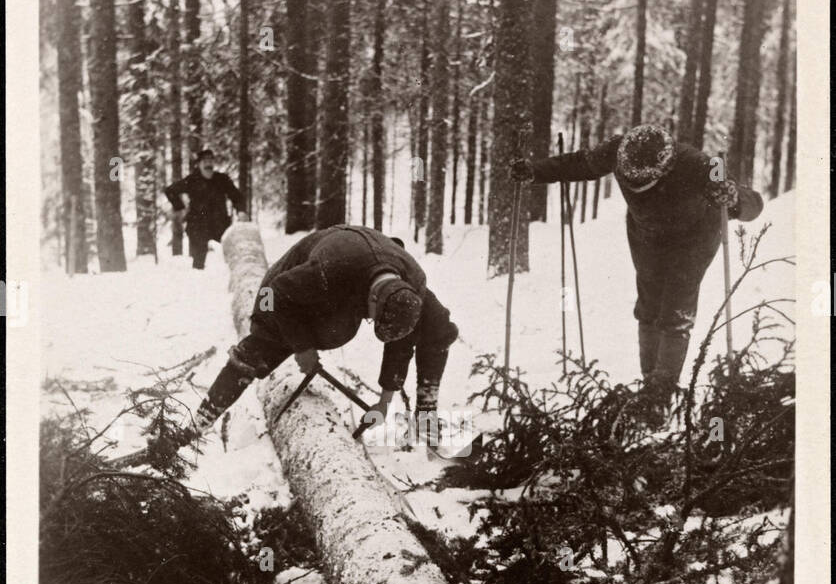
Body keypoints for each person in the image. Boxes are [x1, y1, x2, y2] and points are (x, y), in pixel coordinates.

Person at [512, 124, 764, 420]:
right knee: (648, 306)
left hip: (695, 237)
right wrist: (536, 171)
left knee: (675, 310)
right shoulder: (618, 150)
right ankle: (649, 384)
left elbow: (753, 205)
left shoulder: (699, 164)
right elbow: (580, 163)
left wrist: (732, 197)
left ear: (665, 169)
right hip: (647, 235)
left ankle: (661, 395)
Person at [191, 224, 459, 442]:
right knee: (264, 343)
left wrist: (385, 401)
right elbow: (279, 291)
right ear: (374, 299)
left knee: (438, 325)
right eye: (373, 318)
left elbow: (401, 343)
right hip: (277, 289)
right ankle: (200, 420)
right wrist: (303, 347)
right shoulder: (329, 273)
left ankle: (427, 416)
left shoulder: (413, 283)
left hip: (358, 268)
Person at [164, 149, 244, 269]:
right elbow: (170, 190)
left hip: (219, 225)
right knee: (198, 264)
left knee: (234, 255)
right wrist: (180, 208)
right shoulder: (192, 180)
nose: (208, 164)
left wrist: (241, 211)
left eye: (211, 161)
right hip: (198, 226)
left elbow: (237, 196)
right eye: (205, 161)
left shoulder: (222, 179)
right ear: (199, 164)